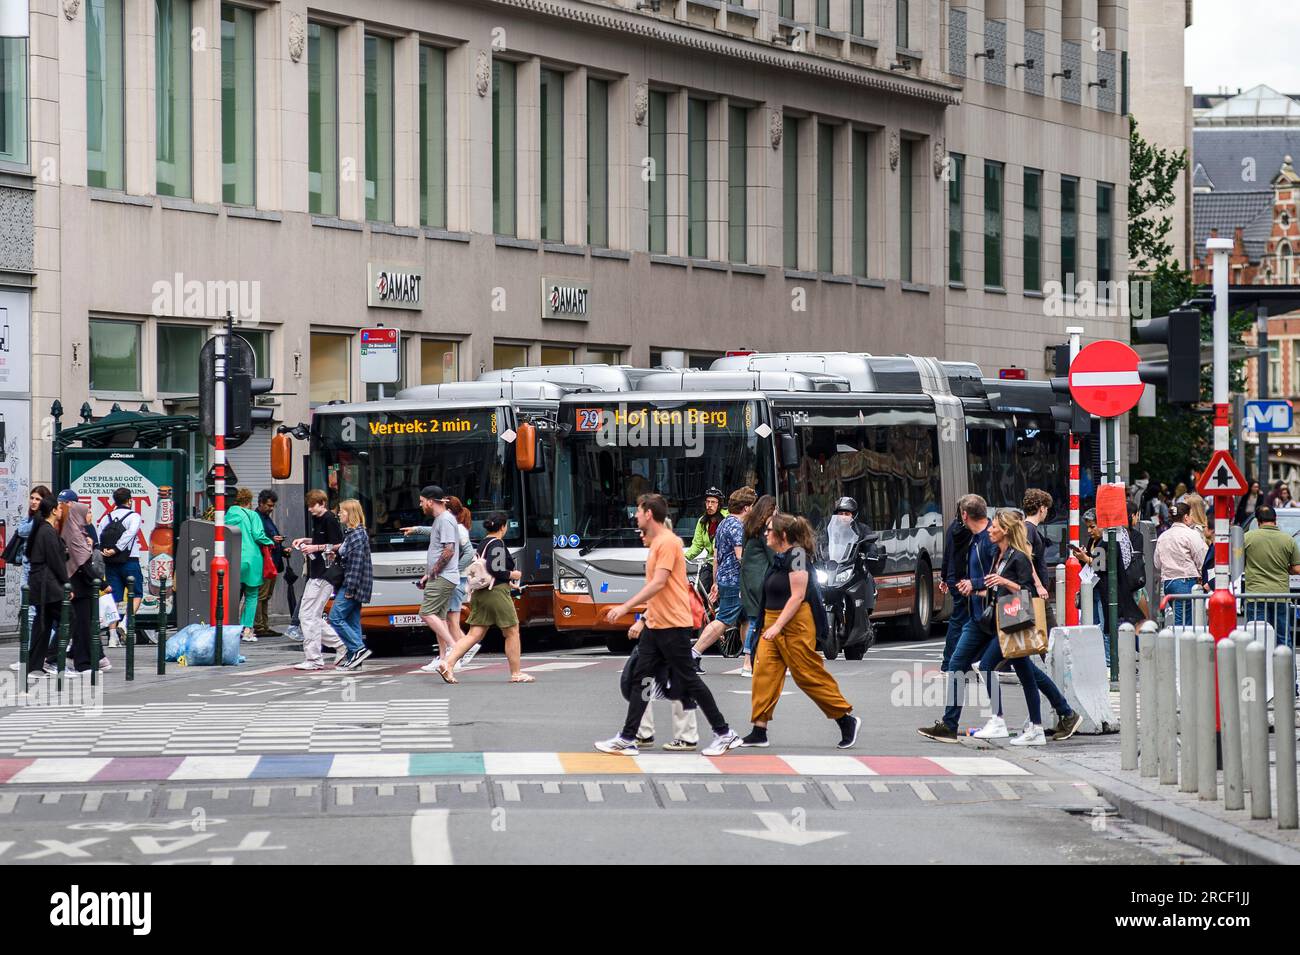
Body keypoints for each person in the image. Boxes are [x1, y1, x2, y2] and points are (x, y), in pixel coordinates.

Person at [594, 493, 741, 756]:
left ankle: (723, 732)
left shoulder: (668, 543)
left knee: (688, 679)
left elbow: (659, 583)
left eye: (638, 512)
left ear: (649, 514)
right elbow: (659, 589)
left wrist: (626, 608)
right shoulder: (657, 543)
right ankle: (628, 737)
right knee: (641, 679)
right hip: (658, 624)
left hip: (673, 625)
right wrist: (645, 619)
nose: (635, 517)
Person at [741, 512, 861, 749]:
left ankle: (845, 719)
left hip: (794, 624)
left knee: (807, 675)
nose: (765, 533)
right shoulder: (780, 556)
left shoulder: (796, 555)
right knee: (764, 674)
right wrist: (770, 624)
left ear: (782, 535)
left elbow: (797, 596)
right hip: (773, 624)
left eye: (769, 529)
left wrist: (777, 626)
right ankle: (759, 729)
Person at [968, 509, 1081, 746]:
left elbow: (1026, 592)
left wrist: (1004, 582)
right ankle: (1045, 723)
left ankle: (1001, 721)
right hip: (1006, 621)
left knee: (987, 666)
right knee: (1026, 673)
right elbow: (997, 587)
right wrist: (976, 588)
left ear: (1006, 530)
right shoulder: (999, 555)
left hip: (1016, 622)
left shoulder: (1018, 557)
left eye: (995, 527)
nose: (990, 529)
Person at [918, 494, 997, 742]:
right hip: (977, 616)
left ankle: (1062, 710)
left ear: (964, 514)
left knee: (1022, 669)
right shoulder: (973, 538)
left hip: (995, 616)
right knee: (956, 665)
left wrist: (971, 585)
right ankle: (949, 725)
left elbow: (1001, 579)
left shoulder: (989, 541)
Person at [435, 512, 535, 683]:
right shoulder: (497, 543)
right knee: (512, 631)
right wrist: (513, 574)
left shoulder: (483, 543)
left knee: (474, 634)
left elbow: (487, 571)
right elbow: (495, 569)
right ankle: (516, 673)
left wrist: (509, 583)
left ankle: (447, 663)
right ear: (503, 527)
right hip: (495, 594)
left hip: (481, 592)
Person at [690, 487, 754, 664]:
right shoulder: (736, 526)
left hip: (726, 579)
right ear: (747, 508)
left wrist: (716, 581)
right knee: (723, 620)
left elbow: (716, 556)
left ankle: (750, 662)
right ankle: (693, 654)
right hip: (735, 580)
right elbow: (741, 556)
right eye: (752, 507)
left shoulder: (724, 523)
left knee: (746, 620)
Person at [403, 486, 462, 671]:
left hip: (443, 576)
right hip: (442, 575)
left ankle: (455, 649)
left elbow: (449, 550)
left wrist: (434, 572)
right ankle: (445, 658)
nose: (421, 505)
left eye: (422, 502)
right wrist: (429, 574)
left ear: (430, 501)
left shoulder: (444, 520)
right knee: (439, 617)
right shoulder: (441, 520)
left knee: (426, 613)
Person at [291, 489, 347, 670]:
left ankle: (314, 658)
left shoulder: (330, 519)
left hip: (325, 573)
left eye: (312, 506)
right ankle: (341, 646)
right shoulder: (318, 518)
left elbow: (339, 545)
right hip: (318, 573)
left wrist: (314, 547)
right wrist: (306, 541)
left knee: (307, 615)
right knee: (311, 615)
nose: (309, 510)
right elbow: (322, 540)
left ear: (322, 503)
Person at [3, 487, 54, 665]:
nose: (33, 502)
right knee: (32, 615)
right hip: (28, 572)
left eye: (38, 499)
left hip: (36, 573)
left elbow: (23, 530)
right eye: (31, 498)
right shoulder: (34, 519)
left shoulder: (39, 521)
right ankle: (35, 655)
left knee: (34, 615)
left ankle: (39, 655)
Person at [1242, 505, 1300, 647]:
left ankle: (1259, 669)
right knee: (1283, 638)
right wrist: (1284, 568)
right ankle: (1287, 669)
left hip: (1255, 596)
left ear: (1257, 520)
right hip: (1280, 596)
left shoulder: (1247, 538)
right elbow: (1297, 569)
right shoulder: (1288, 540)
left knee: (1257, 639)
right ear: (1275, 519)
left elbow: (1238, 563)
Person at [23, 495, 68, 681]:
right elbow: (55, 560)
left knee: (44, 623)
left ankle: (35, 665)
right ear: (53, 511)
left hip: (42, 582)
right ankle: (51, 658)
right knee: (67, 617)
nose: (61, 510)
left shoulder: (42, 529)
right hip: (47, 584)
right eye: (58, 508)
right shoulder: (47, 531)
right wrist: (66, 583)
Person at [328, 499, 374, 670]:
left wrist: (350, 589)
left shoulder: (355, 535)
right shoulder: (354, 533)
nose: (339, 514)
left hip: (352, 585)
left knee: (335, 617)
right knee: (352, 620)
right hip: (356, 584)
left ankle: (358, 649)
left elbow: (356, 564)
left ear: (351, 514)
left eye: (342, 511)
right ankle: (354, 659)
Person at [96, 486, 143, 648]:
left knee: (113, 598)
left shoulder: (106, 518)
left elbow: (100, 534)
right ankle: (126, 622)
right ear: (130, 500)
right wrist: (117, 548)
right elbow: (131, 533)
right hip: (130, 560)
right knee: (136, 593)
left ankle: (112, 637)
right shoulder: (134, 516)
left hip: (110, 562)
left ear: (114, 502)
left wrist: (107, 551)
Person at [226, 487, 273, 642]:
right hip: (252, 559)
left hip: (233, 558)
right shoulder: (252, 515)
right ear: (248, 501)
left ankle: (230, 628)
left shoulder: (227, 515)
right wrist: (271, 542)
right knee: (252, 595)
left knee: (232, 595)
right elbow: (258, 535)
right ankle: (246, 629)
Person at [739, 494, 777, 678]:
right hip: (761, 579)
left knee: (757, 620)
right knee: (757, 621)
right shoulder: (765, 530)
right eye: (775, 509)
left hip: (747, 579)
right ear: (770, 510)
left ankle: (760, 662)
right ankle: (748, 663)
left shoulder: (749, 526)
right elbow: (773, 556)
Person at [1153, 501, 1208, 628]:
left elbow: (1157, 563)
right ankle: (1181, 647)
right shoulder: (1190, 534)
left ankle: (1182, 644)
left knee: (1182, 618)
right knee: (1183, 623)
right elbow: (1202, 558)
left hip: (1168, 583)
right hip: (1185, 582)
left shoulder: (1163, 536)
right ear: (1186, 517)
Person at [939, 498, 975, 672]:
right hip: (963, 580)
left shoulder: (952, 528)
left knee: (959, 620)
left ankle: (952, 661)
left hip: (953, 579)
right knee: (963, 621)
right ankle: (951, 661)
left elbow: (947, 554)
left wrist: (944, 577)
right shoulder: (968, 532)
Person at [445, 496, 481, 671]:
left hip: (457, 578)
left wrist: (455, 569)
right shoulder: (458, 528)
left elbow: (468, 553)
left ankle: (465, 647)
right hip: (459, 578)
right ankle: (460, 649)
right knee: (450, 619)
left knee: (451, 620)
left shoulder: (457, 529)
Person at [253, 489, 290, 638]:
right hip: (264, 563)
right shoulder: (257, 518)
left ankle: (263, 625)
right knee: (261, 595)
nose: (271, 508)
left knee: (266, 595)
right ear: (260, 503)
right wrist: (274, 541)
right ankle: (259, 626)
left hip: (272, 562)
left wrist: (282, 549)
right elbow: (259, 538)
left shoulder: (266, 518)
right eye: (269, 505)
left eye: (272, 505)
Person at [683, 487, 728, 561]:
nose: (709, 505)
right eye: (707, 502)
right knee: (703, 572)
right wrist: (684, 558)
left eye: (713, 502)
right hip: (710, 561)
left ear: (719, 505)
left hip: (725, 563)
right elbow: (697, 545)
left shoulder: (727, 519)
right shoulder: (702, 521)